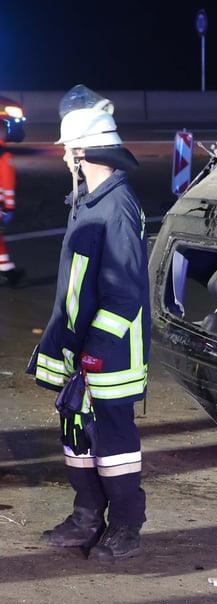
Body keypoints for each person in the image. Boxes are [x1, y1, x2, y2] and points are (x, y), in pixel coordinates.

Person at [27, 85, 150, 561]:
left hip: (109, 354)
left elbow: (125, 292)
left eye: (66, 151)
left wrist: (96, 349)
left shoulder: (115, 208)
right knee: (77, 433)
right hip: (79, 351)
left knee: (114, 439)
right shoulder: (89, 199)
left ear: (82, 153)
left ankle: (126, 526)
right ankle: (85, 517)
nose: (63, 159)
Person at [0, 121, 24, 286]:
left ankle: (8, 270)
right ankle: (8, 271)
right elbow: (8, 182)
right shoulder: (4, 155)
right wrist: (10, 206)